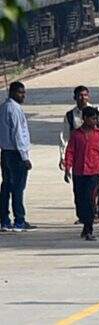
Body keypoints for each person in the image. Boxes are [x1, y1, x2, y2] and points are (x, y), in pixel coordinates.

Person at [63, 106, 99, 240]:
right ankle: (84, 220)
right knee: (79, 199)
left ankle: (88, 228)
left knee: (90, 200)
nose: (95, 121)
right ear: (85, 119)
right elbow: (70, 151)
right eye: (92, 118)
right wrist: (67, 168)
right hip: (79, 171)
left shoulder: (98, 134)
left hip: (94, 172)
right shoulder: (76, 135)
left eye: (96, 118)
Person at [0, 82, 33, 232]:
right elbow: (18, 134)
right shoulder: (15, 109)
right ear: (12, 92)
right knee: (18, 188)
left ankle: (4, 220)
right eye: (20, 93)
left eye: (24, 93)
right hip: (16, 153)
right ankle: (19, 219)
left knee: (6, 186)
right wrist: (25, 157)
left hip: (5, 152)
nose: (23, 96)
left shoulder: (3, 107)